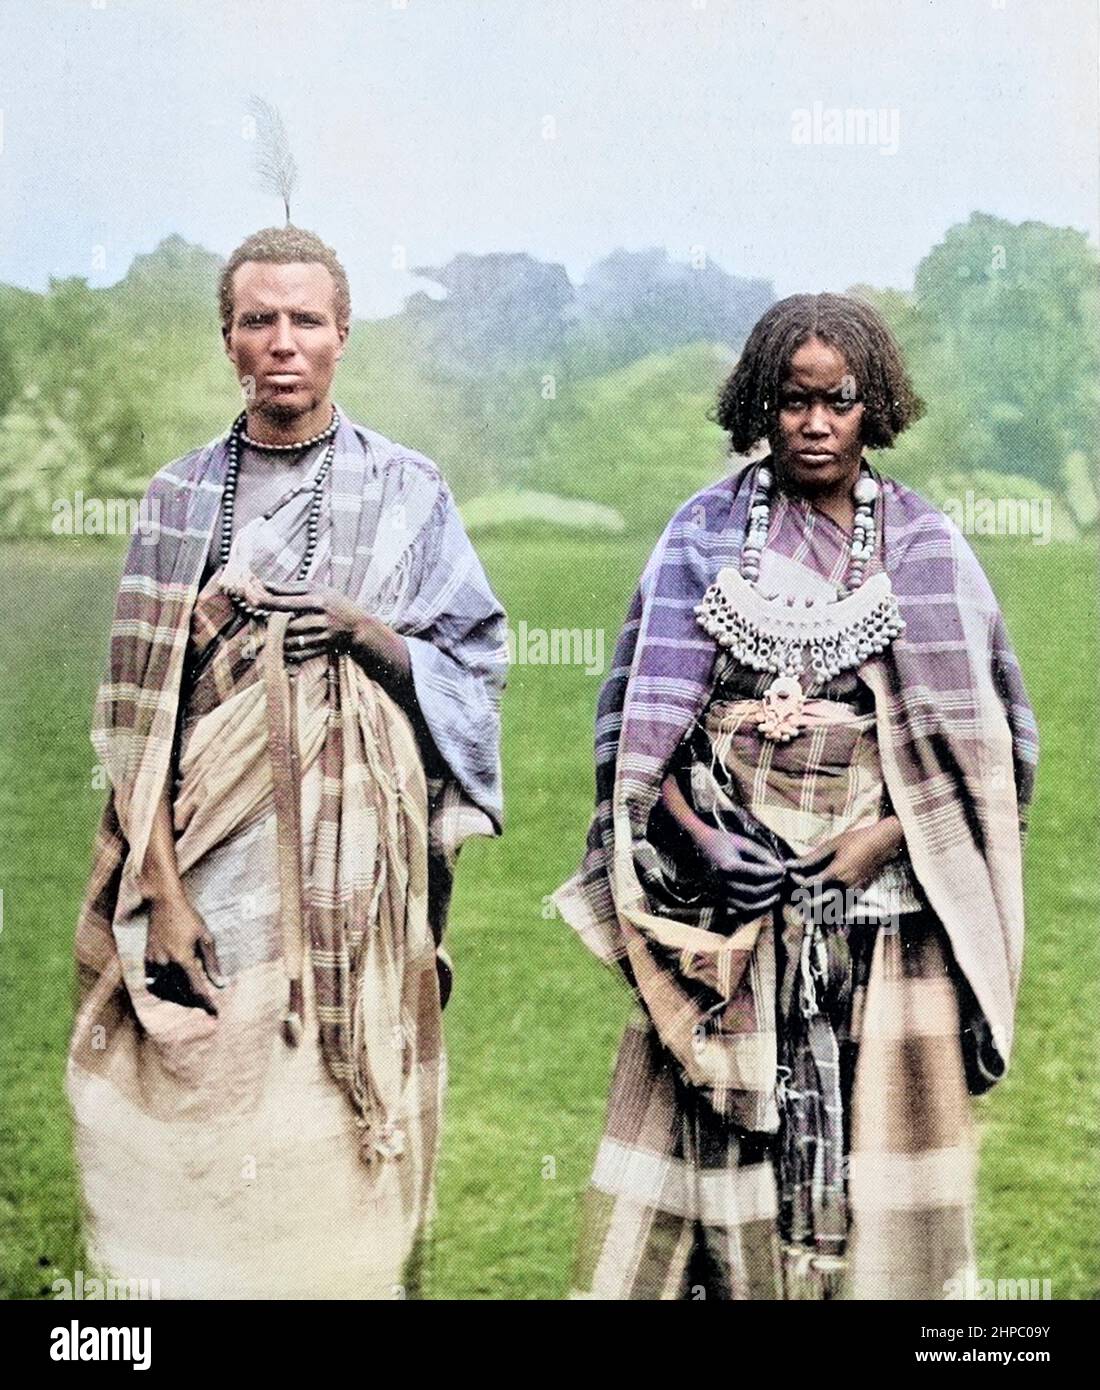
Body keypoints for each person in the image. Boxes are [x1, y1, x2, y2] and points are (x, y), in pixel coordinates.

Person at [554, 292, 1038, 1300]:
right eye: (791, 401)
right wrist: (694, 838)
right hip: (725, 936)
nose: (814, 425)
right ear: (758, 406)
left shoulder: (923, 547)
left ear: (875, 406)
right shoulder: (699, 534)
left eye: (838, 401)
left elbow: (985, 753)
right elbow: (639, 739)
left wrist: (879, 836)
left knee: (873, 1187)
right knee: (716, 1197)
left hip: (882, 928)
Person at [66, 226, 507, 1299]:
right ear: (228, 341)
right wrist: (160, 892)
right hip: (211, 869)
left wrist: (370, 632)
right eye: (258, 319)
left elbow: (474, 658)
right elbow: (136, 725)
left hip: (360, 887)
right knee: (208, 1119)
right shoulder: (178, 501)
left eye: (305, 319)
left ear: (341, 336)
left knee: (332, 1122)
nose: (282, 341)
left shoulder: (408, 488)